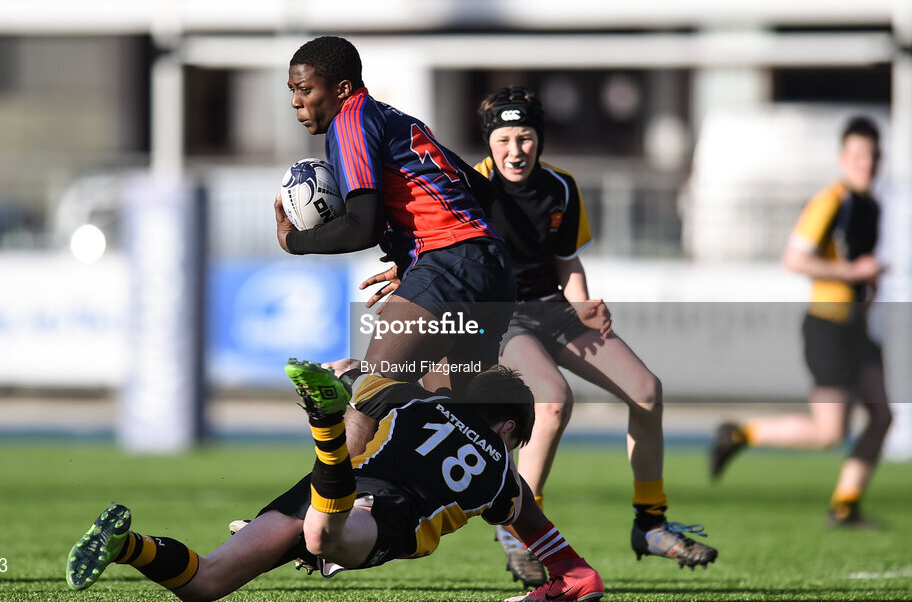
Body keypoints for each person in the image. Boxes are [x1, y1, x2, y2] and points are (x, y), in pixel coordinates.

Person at [363, 87, 717, 586]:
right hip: (500, 315)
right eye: (504, 138)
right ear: (489, 142)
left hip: (554, 311)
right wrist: (413, 275)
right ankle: (519, 531)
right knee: (552, 401)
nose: (516, 150)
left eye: (525, 137)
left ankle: (651, 523)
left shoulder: (562, 188)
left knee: (647, 390)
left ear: (539, 140)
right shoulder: (465, 185)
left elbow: (565, 258)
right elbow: (437, 244)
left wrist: (582, 302)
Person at [66, 359, 604, 602]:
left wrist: (347, 376)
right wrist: (571, 576)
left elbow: (347, 367)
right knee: (327, 538)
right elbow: (564, 558)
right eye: (517, 440)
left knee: (205, 583)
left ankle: (126, 545)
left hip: (335, 486)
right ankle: (324, 430)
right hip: (382, 517)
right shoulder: (500, 478)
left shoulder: (419, 397)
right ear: (508, 427)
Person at [275, 35, 516, 417]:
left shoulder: (350, 121)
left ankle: (350, 376)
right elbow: (485, 193)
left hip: (453, 265)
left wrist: (293, 241)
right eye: (292, 91)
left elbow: (361, 227)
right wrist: (415, 259)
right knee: (464, 423)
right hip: (487, 269)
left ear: (341, 89)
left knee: (370, 396)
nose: (295, 102)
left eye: (305, 89)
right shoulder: (396, 119)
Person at [710, 116, 892, 527]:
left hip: (857, 326)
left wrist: (869, 285)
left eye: (874, 155)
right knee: (830, 432)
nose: (867, 163)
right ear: (843, 158)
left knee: (882, 416)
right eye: (859, 155)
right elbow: (795, 259)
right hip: (827, 325)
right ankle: (741, 434)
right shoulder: (832, 201)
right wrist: (854, 273)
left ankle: (845, 505)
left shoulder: (871, 205)